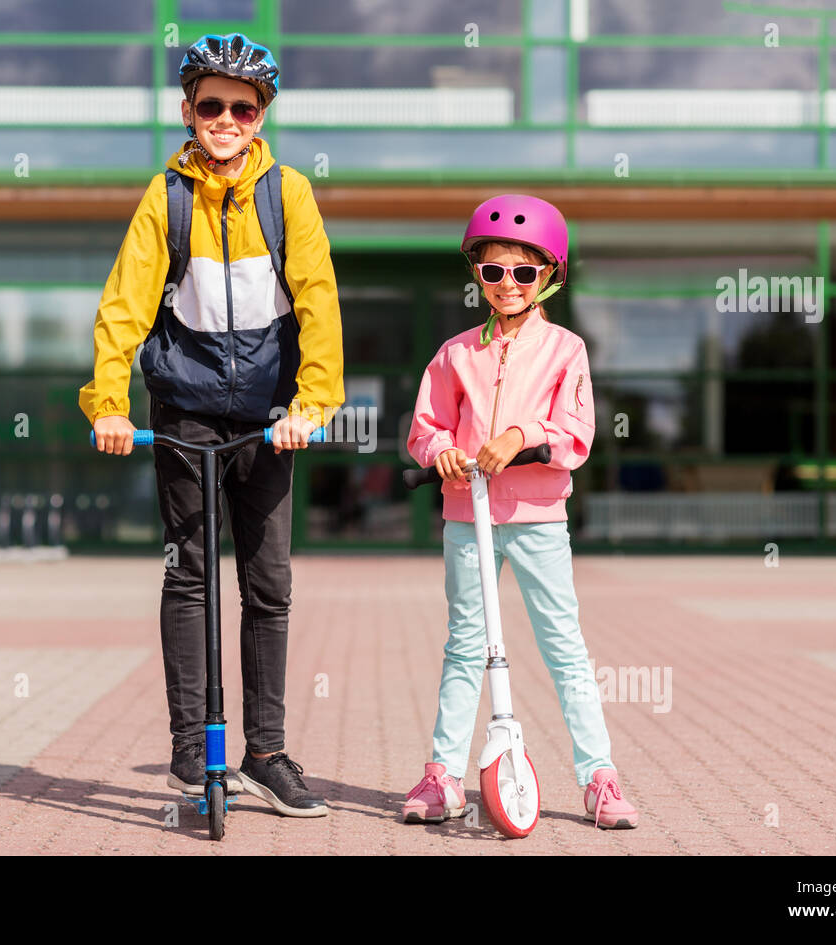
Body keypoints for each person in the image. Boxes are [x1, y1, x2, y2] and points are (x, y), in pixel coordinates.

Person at [79, 33, 344, 817]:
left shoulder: (286, 192)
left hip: (267, 418)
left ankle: (265, 751)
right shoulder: (168, 196)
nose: (225, 118)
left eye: (242, 106)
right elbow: (124, 305)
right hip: (186, 411)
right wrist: (111, 404)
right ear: (188, 110)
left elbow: (319, 300)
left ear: (260, 117)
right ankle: (193, 746)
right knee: (188, 574)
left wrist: (311, 405)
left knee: (269, 583)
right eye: (210, 105)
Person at [402, 195, 638, 829]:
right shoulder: (454, 354)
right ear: (477, 275)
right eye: (493, 270)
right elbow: (424, 428)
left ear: (549, 277)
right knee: (464, 647)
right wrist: (443, 451)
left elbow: (575, 435)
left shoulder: (566, 350)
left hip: (537, 518)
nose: (507, 284)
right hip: (466, 518)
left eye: (523, 272)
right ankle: (443, 776)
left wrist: (522, 438)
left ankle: (598, 779)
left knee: (563, 646)